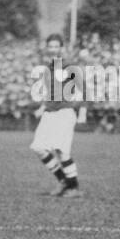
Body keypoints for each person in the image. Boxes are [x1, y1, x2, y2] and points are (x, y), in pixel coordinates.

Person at [29, 33, 82, 198]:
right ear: (47, 48)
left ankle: (73, 187)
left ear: (62, 48)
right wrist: (42, 107)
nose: (53, 50)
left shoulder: (68, 66)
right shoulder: (48, 68)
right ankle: (63, 181)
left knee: (61, 151)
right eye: (50, 46)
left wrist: (81, 111)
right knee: (38, 147)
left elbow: (82, 88)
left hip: (65, 112)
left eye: (56, 46)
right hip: (50, 112)